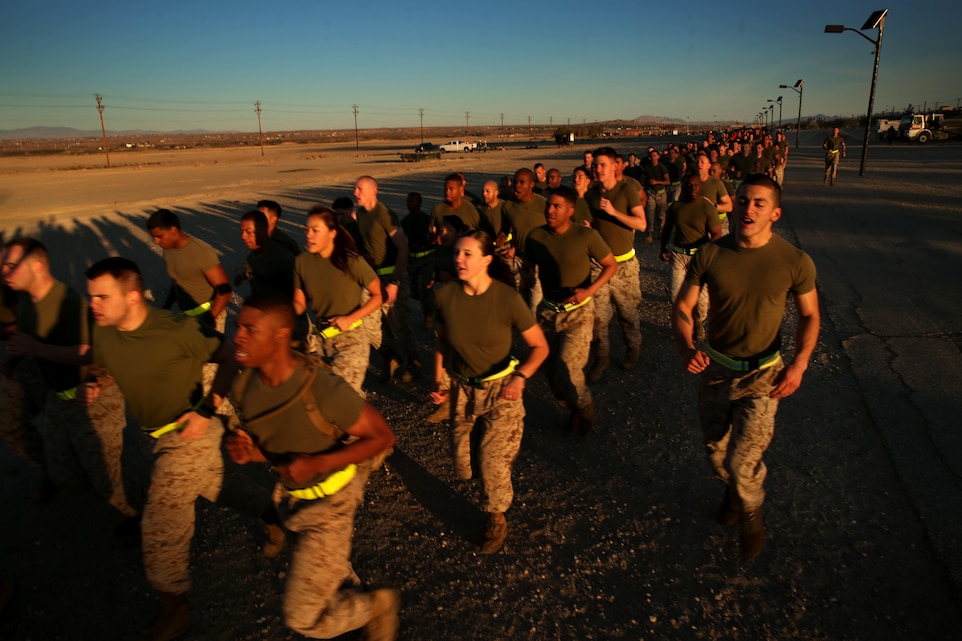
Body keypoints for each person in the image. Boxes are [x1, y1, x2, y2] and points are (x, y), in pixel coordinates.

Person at [84, 257, 283, 641]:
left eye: (102, 297)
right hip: (155, 435)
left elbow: (229, 357)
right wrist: (98, 383)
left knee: (161, 522)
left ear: (131, 297)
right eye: (92, 297)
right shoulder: (105, 333)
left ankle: (174, 610)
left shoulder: (177, 329)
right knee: (214, 484)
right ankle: (271, 509)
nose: (93, 305)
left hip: (190, 430)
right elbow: (108, 366)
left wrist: (208, 410)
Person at [224, 292, 399, 640]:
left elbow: (382, 436)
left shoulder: (321, 388)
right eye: (238, 327)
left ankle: (374, 607)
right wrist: (251, 453)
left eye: (249, 329)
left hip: (332, 505)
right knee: (331, 572)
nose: (238, 336)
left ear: (279, 335)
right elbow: (277, 447)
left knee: (302, 617)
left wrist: (318, 462)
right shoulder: (244, 388)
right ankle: (352, 596)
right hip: (291, 501)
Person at [671, 173, 820, 558]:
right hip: (715, 371)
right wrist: (687, 348)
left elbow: (810, 316)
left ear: (775, 213)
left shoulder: (794, 261)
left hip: (763, 374)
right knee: (715, 453)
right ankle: (735, 495)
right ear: (732, 204)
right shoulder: (711, 254)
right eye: (742, 201)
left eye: (758, 203)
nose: (748, 208)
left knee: (742, 461)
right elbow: (683, 307)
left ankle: (750, 509)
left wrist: (800, 363)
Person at [2, 238, 138, 527]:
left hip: (91, 398)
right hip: (58, 397)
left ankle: (136, 515)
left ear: (37, 266)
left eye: (12, 265)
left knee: (105, 474)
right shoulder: (27, 300)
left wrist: (35, 349)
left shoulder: (67, 302)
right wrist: (14, 361)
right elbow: (26, 339)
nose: (5, 272)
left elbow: (91, 352)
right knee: (63, 471)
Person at [431, 231, 548, 553]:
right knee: (463, 467)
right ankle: (489, 460)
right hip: (462, 390)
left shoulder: (506, 300)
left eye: (468, 254)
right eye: (457, 253)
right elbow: (441, 340)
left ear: (486, 260)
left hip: (502, 390)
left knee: (491, 461)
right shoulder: (445, 296)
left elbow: (540, 347)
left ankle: (496, 517)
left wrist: (520, 377)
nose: (459, 259)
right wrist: (438, 379)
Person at [525, 187, 616, 434]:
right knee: (550, 370)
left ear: (571, 210)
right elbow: (528, 265)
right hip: (547, 312)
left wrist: (589, 290)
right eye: (548, 206)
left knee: (568, 368)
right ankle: (572, 406)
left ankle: (585, 408)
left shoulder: (586, 236)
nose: (550, 210)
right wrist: (526, 281)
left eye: (557, 206)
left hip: (579, 312)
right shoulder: (535, 237)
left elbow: (611, 265)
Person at [293, 206, 382, 396]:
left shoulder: (352, 261)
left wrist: (350, 318)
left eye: (315, 230)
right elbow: (299, 304)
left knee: (339, 397)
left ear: (332, 233)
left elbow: (378, 295)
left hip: (351, 340)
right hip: (320, 341)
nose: (309, 235)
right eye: (306, 229)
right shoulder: (302, 262)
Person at [584, 147, 647, 382]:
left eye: (602, 165)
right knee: (598, 318)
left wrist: (614, 212)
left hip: (625, 266)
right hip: (599, 266)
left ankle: (633, 348)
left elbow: (641, 224)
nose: (597, 169)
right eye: (594, 165)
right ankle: (601, 359)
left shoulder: (626, 190)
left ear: (614, 166)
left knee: (627, 314)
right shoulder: (591, 194)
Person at [354, 175, 419, 382]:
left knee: (400, 324)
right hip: (373, 280)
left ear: (374, 191)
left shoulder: (384, 214)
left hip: (393, 278)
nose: (356, 193)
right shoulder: (360, 215)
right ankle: (391, 356)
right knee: (368, 324)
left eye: (359, 189)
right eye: (355, 189)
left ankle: (414, 362)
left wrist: (395, 282)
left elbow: (403, 248)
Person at [146, 209, 232, 332]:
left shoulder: (202, 252)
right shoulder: (168, 251)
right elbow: (178, 281)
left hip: (209, 317)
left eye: (159, 236)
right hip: (186, 318)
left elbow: (225, 291)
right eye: (154, 237)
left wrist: (209, 320)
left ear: (173, 230)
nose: (156, 241)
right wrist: (166, 308)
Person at [659, 175, 723, 339]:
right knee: (676, 295)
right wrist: (662, 247)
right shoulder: (676, 208)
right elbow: (667, 228)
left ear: (701, 187)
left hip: (699, 256)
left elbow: (716, 232)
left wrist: (708, 252)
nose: (692, 188)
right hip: (679, 255)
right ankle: (683, 328)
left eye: (695, 185)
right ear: (684, 187)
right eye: (689, 185)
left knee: (701, 301)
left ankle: (699, 322)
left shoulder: (707, 208)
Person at [501, 168, 549, 314]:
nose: (517, 186)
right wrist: (502, 242)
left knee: (535, 304)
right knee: (518, 300)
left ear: (532, 185)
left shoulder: (543, 204)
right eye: (515, 182)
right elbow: (506, 232)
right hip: (520, 259)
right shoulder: (508, 207)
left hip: (540, 262)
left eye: (522, 182)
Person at [237, 209, 296, 300]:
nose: (243, 236)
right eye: (242, 232)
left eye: (248, 232)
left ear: (263, 230)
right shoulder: (252, 258)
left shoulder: (283, 259)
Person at [400, 192, 436, 329]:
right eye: (408, 202)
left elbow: (434, 240)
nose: (409, 204)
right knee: (413, 291)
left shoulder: (426, 220)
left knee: (425, 288)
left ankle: (428, 315)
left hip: (426, 259)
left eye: (412, 201)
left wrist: (422, 246)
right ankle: (431, 301)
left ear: (419, 203)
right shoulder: (405, 221)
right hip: (411, 260)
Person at [695, 151, 734, 236]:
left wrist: (712, 207)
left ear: (709, 166)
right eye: (697, 162)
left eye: (702, 162)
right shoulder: (692, 183)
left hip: (719, 223)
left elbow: (729, 206)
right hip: (700, 224)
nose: (699, 164)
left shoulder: (716, 183)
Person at [643, 149, 671, 240]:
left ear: (658, 157)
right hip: (651, 193)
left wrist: (656, 182)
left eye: (655, 155)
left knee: (661, 214)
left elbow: (668, 181)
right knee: (650, 213)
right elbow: (644, 179)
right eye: (651, 156)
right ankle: (650, 233)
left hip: (661, 193)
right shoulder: (647, 168)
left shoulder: (662, 167)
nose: (653, 158)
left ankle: (661, 231)